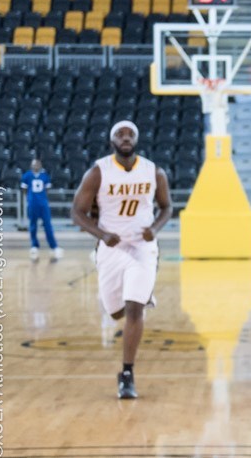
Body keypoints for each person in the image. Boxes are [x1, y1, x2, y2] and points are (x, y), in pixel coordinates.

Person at [70, 121, 173, 399]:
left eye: (130, 134)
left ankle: (127, 374)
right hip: (111, 248)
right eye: (120, 134)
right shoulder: (98, 172)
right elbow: (77, 213)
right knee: (116, 312)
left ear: (137, 140)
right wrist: (101, 234)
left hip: (142, 248)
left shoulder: (154, 171)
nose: (125, 138)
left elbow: (167, 207)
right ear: (112, 140)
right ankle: (138, 296)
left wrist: (156, 229)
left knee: (134, 309)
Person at [21, 159, 63, 260]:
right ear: (31, 165)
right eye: (34, 164)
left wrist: (41, 198)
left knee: (48, 226)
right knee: (33, 226)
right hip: (32, 204)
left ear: (40, 165)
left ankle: (54, 247)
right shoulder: (26, 176)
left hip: (43, 204)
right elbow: (24, 190)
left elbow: (47, 189)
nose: (36, 166)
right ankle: (34, 246)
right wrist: (30, 198)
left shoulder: (45, 176)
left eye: (37, 164)